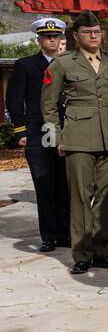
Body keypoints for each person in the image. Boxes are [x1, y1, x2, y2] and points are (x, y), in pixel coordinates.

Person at [41, 11, 108, 274]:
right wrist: (56, 139)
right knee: (80, 198)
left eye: (97, 31)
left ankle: (104, 251)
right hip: (77, 138)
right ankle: (82, 254)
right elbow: (49, 106)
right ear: (75, 36)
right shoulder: (63, 63)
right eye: (88, 32)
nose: (94, 36)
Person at [7, 18, 73, 253]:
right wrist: (20, 131)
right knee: (45, 184)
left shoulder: (72, 63)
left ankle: (66, 234)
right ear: (40, 39)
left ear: (61, 39)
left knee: (66, 184)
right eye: (47, 36)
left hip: (67, 131)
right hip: (38, 131)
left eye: (55, 36)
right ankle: (49, 236)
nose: (52, 40)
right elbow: (14, 100)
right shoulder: (26, 65)